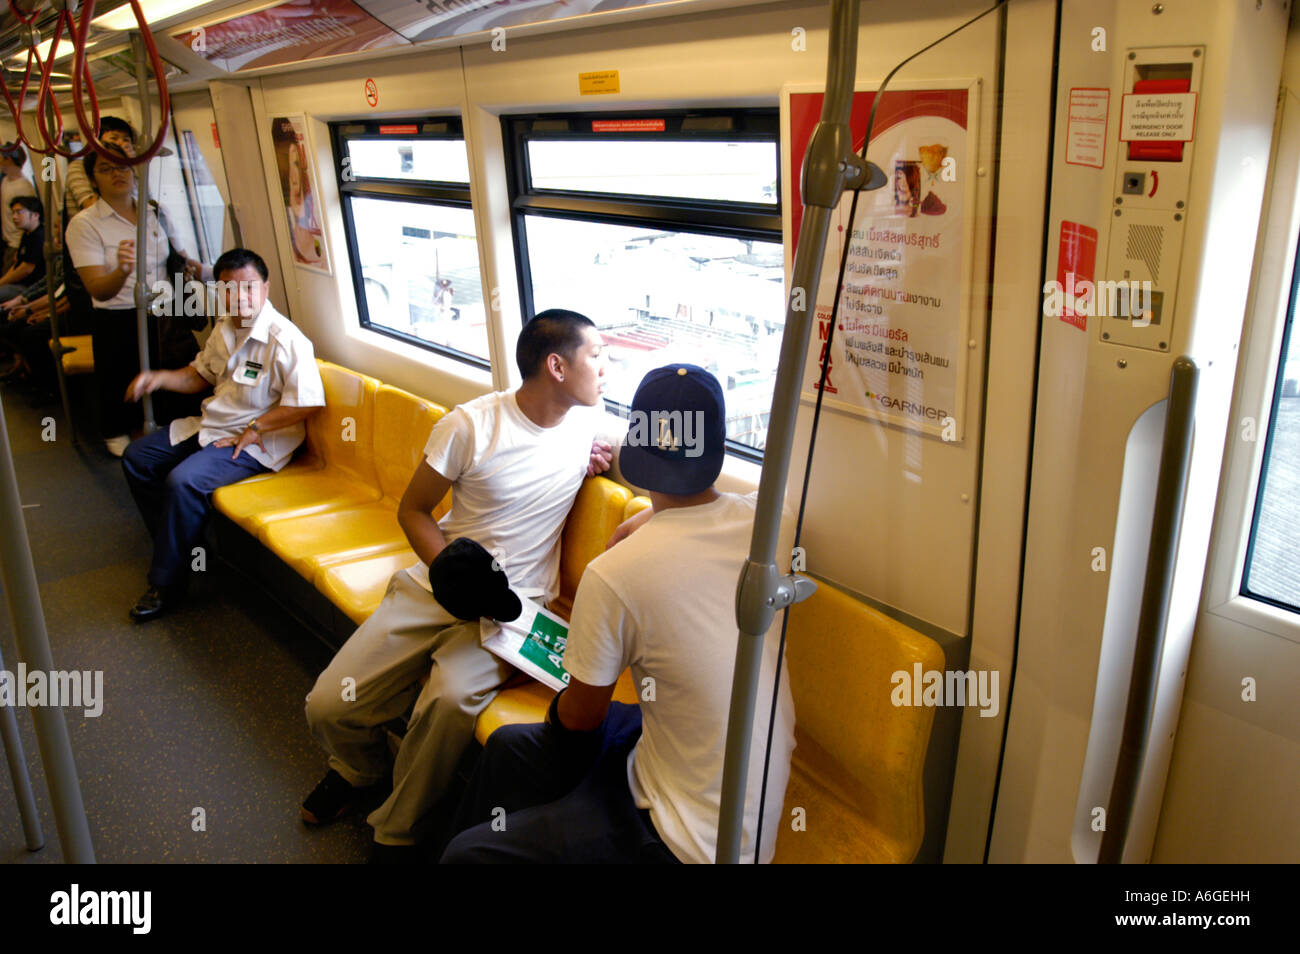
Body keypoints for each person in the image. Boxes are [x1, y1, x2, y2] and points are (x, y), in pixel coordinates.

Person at [440, 364, 797, 865]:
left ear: (639, 454)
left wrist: (560, 702)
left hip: (681, 842)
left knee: (465, 855)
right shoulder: (769, 529)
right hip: (726, 801)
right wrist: (649, 518)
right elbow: (718, 507)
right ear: (715, 452)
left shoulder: (615, 574)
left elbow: (581, 718)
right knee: (506, 747)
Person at [302, 309, 614, 861]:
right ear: (557, 366)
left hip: (512, 607)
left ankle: (397, 831)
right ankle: (358, 769)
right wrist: (450, 569)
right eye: (597, 356)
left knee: (446, 704)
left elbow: (632, 461)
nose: (606, 368)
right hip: (438, 584)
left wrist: (593, 463)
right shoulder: (469, 426)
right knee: (329, 703)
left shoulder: (591, 421)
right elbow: (414, 511)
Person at [119, 248, 325, 622]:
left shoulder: (286, 340)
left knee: (183, 482)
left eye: (249, 288)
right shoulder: (224, 327)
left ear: (265, 287)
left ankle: (168, 582)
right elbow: (201, 375)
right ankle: (187, 545)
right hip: (214, 426)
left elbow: (307, 403)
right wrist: (158, 379)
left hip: (257, 441)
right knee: (138, 459)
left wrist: (256, 427)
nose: (239, 298)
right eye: (229, 289)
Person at [66, 141, 208, 457]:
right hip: (119, 316)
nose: (118, 174)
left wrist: (220, 275)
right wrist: (123, 270)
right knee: (123, 388)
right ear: (93, 179)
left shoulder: (155, 211)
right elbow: (98, 289)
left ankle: (176, 438)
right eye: (106, 168)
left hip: (165, 313)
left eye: (124, 166)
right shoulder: (84, 224)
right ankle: (123, 435)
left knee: (179, 386)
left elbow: (182, 261)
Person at [0, 196, 46, 302]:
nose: (14, 217)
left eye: (19, 212)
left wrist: (2, 282)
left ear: (35, 215)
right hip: (18, 285)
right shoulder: (27, 234)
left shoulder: (39, 236)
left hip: (29, 288)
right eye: (13, 213)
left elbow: (26, 269)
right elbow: (17, 265)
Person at [0, 142, 35, 275]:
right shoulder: (5, 180)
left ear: (8, 159)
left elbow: (28, 222)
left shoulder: (24, 188)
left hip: (15, 245)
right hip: (6, 241)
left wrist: (21, 248)